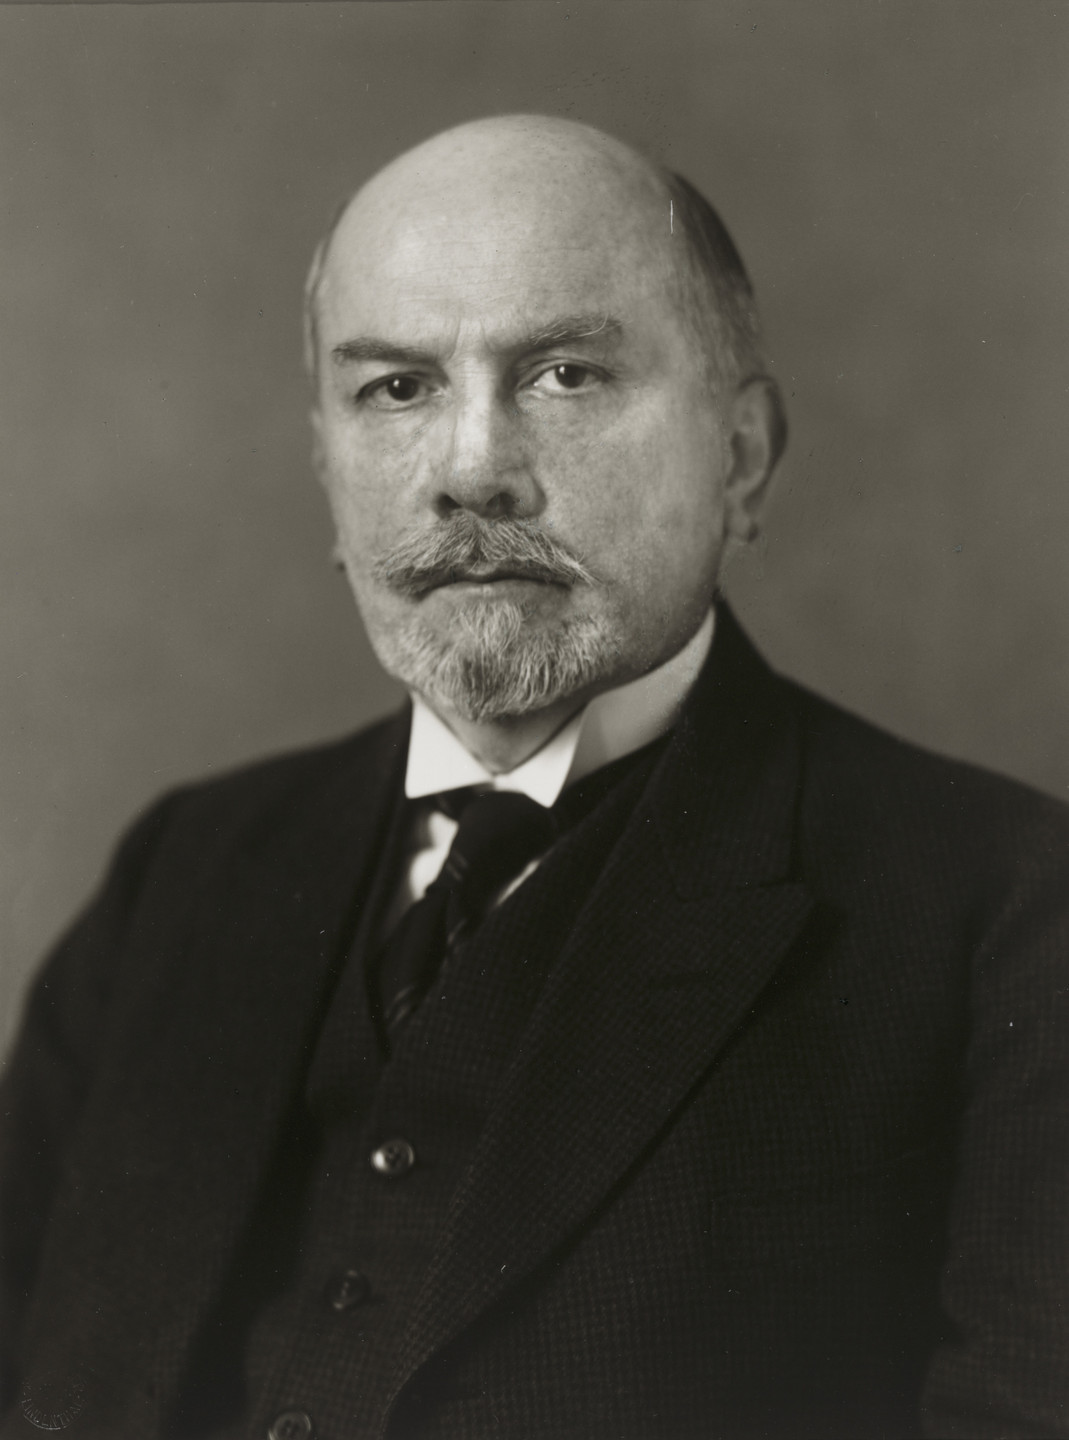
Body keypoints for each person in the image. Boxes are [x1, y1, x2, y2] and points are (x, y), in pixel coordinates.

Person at [1, 114, 1066, 1440]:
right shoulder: (188, 865)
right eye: (395, 390)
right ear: (327, 468)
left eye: (564, 375)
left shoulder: (1009, 912)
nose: (469, 472)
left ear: (741, 457)